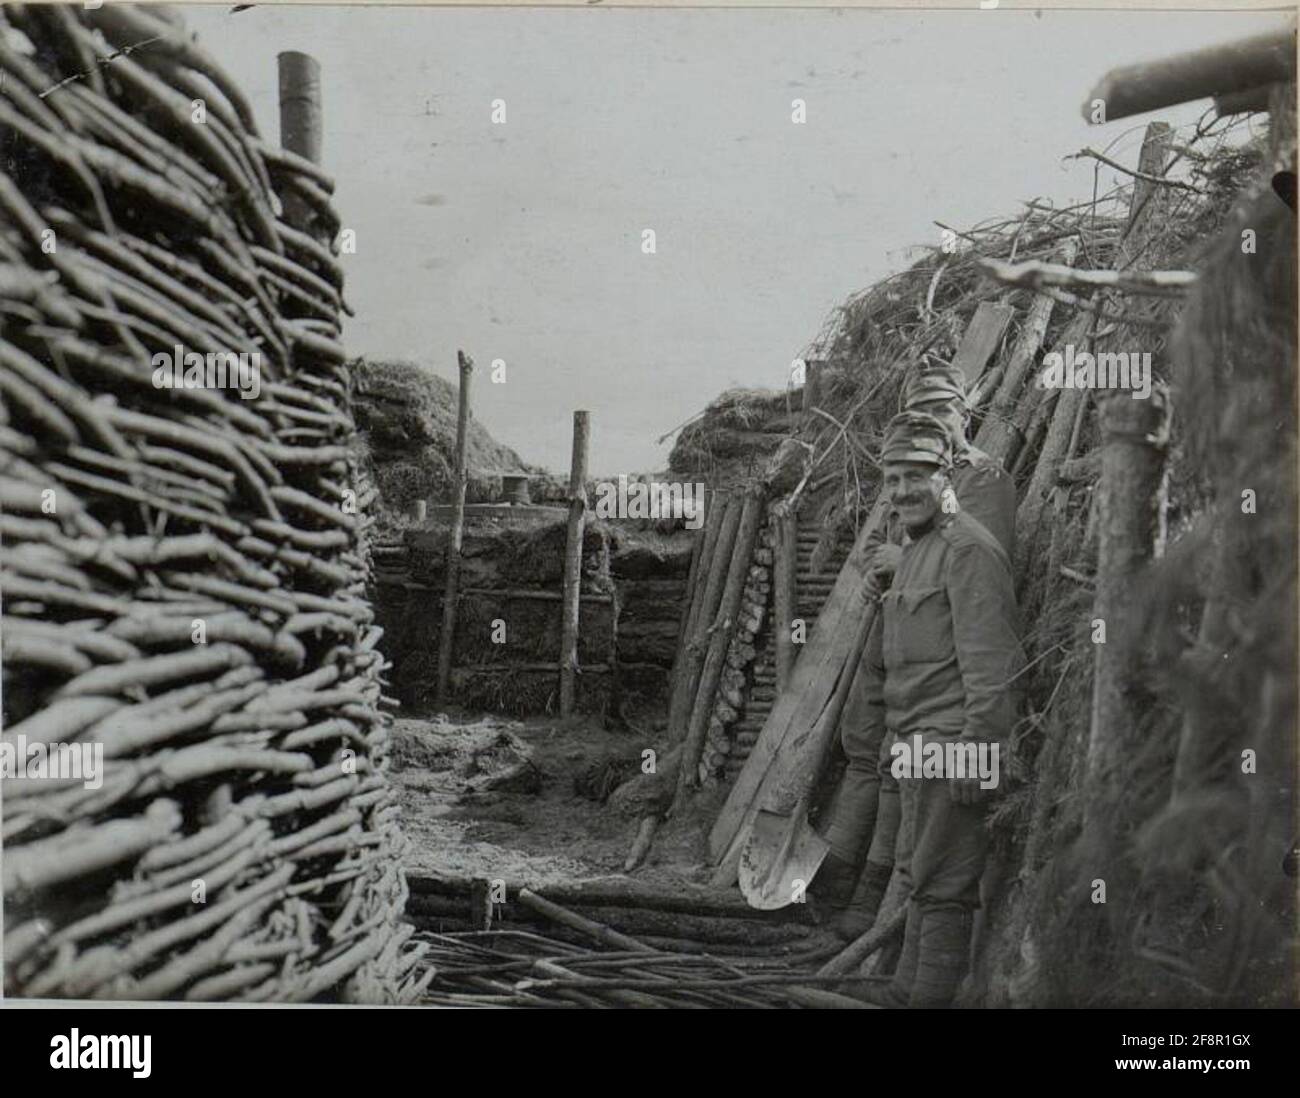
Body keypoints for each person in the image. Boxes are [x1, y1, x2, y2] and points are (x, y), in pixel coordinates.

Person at [817, 412, 1024, 1006]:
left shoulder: (968, 550)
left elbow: (993, 661)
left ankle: (923, 999)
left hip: (953, 743)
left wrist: (976, 748)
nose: (904, 489)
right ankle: (906, 989)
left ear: (946, 477)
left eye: (918, 475)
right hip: (915, 745)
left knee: (944, 884)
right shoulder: (916, 552)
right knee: (923, 873)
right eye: (893, 477)